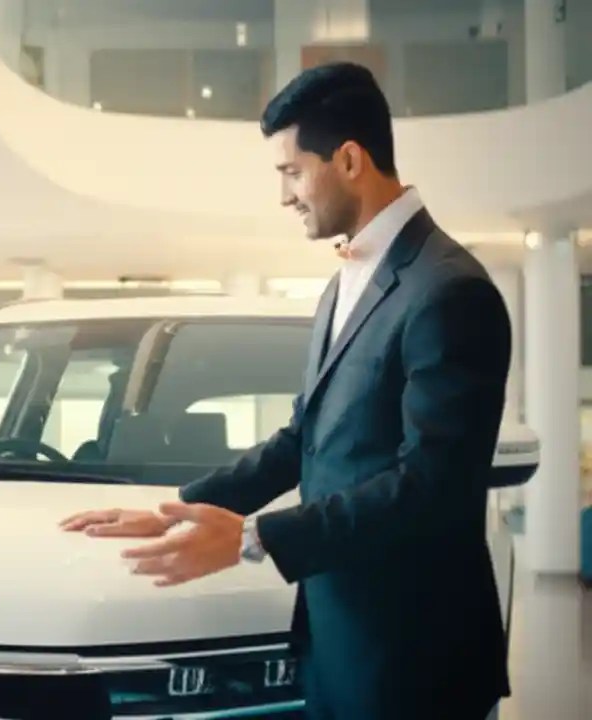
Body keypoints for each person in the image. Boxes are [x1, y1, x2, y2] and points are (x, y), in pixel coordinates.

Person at [60, 62, 512, 720]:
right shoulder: (342, 286)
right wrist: (179, 509)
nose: (284, 195)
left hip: (414, 657)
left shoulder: (449, 290)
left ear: (350, 159)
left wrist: (255, 538)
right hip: (336, 641)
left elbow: (435, 485)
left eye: (291, 172)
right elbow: (303, 439)